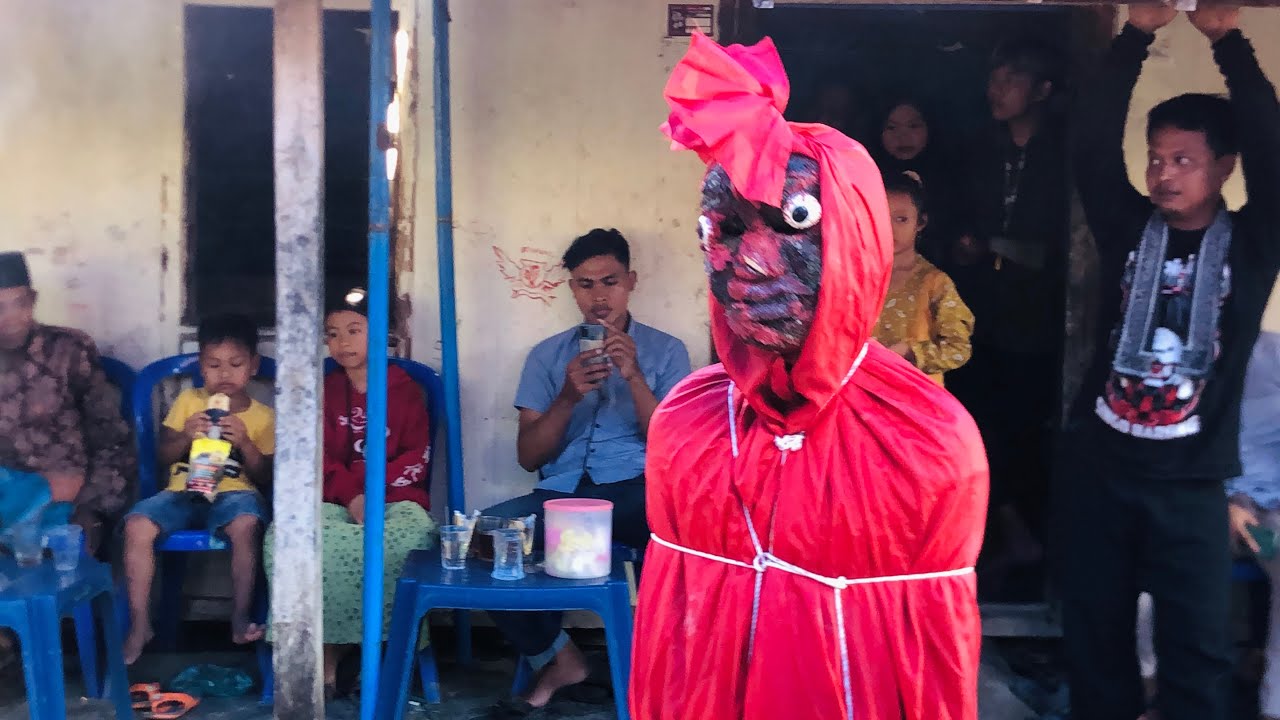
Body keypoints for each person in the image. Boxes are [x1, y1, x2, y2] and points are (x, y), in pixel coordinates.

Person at [632, 33, 987, 720]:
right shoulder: (687, 427)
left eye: (795, 221)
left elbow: (927, 674)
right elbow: (670, 656)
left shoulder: (928, 447)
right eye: (726, 229)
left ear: (857, 237)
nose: (755, 262)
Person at [1060, 7, 1280, 720]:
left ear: (1225, 167)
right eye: (1156, 157)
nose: (1162, 173)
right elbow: (1092, 143)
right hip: (1101, 473)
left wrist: (1228, 45)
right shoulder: (1129, 227)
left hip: (1191, 489)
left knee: (1198, 656)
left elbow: (1275, 152)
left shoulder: (1251, 247)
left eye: (1183, 160)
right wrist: (1134, 36)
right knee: (1095, 641)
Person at [483, 228, 691, 716]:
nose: (599, 297)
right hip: (563, 495)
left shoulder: (666, 351)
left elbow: (675, 448)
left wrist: (634, 376)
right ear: (572, 289)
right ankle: (560, 658)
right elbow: (528, 457)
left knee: (679, 533)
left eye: (609, 282)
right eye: (585, 284)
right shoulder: (548, 356)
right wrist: (568, 396)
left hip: (634, 492)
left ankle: (658, 670)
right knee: (488, 536)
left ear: (631, 281)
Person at [264, 289, 437, 697]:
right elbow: (314, 459)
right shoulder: (325, 391)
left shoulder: (406, 390)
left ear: (378, 335)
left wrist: (372, 495)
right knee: (292, 538)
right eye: (333, 333)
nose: (342, 342)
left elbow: (417, 457)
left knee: (403, 543)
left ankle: (380, 651)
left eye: (354, 331)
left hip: (397, 498)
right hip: (336, 499)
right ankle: (328, 649)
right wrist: (350, 496)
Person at [950, 38, 1071, 596]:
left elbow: (1059, 248)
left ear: (1043, 90)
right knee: (974, 428)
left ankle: (1030, 543)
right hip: (978, 318)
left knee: (1026, 435)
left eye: (1011, 78)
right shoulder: (981, 149)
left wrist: (996, 243)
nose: (997, 90)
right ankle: (1001, 538)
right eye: (994, 78)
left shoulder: (1065, 153)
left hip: (1040, 324)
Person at [121, 313, 273, 664]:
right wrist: (185, 435)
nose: (224, 374)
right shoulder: (189, 402)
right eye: (213, 365)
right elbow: (161, 457)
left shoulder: (263, 416)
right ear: (200, 366)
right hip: (182, 490)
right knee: (136, 525)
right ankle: (140, 624)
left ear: (253, 366)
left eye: (235, 364)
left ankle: (239, 616)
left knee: (247, 525)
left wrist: (246, 444)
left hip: (235, 493)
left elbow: (264, 476)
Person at [0, 250, 136, 555]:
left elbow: (111, 439)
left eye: (19, 304)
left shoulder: (68, 350)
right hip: (5, 499)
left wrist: (91, 507)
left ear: (33, 301)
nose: (10, 319)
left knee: (71, 547)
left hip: (68, 500)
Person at [873, 171, 974, 385]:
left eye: (901, 219)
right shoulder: (854, 277)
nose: (890, 228)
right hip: (860, 395)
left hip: (914, 398)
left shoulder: (934, 283)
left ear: (920, 222)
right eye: (880, 217)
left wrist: (911, 352)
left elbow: (958, 348)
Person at [874, 99, 961, 266]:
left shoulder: (950, 179)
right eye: (892, 127)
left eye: (913, 126)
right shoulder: (867, 177)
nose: (903, 136)